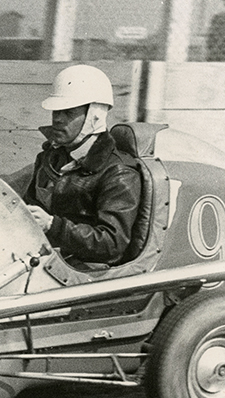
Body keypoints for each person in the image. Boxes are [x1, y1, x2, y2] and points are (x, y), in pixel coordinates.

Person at [23, 65, 141, 268]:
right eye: (56, 111)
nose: (58, 119)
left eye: (68, 112)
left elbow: (112, 244)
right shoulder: (50, 159)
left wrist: (52, 225)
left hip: (87, 274)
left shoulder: (118, 173)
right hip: (46, 262)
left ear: (94, 114)